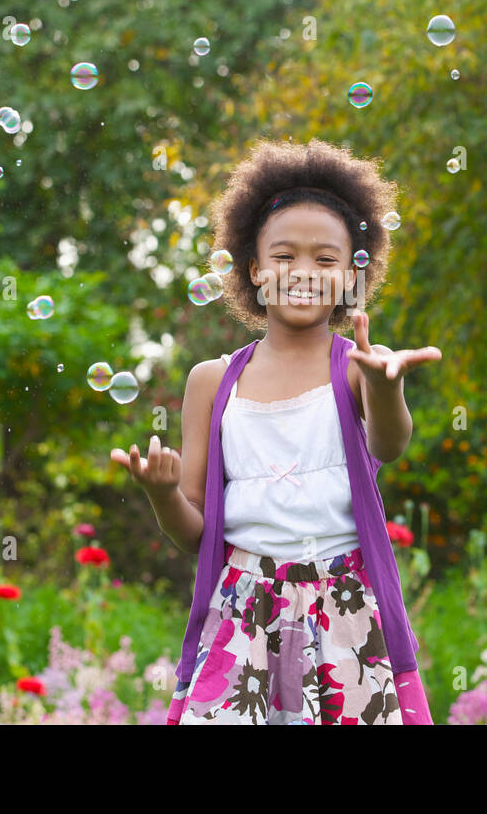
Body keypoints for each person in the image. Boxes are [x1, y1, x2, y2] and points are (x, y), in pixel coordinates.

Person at [111, 138, 441, 724]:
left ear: (352, 274)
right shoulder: (213, 382)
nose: (304, 273)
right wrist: (162, 494)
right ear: (255, 268)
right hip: (243, 611)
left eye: (327, 259)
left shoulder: (359, 367)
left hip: (346, 609)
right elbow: (195, 533)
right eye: (285, 256)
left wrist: (387, 389)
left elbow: (389, 446)